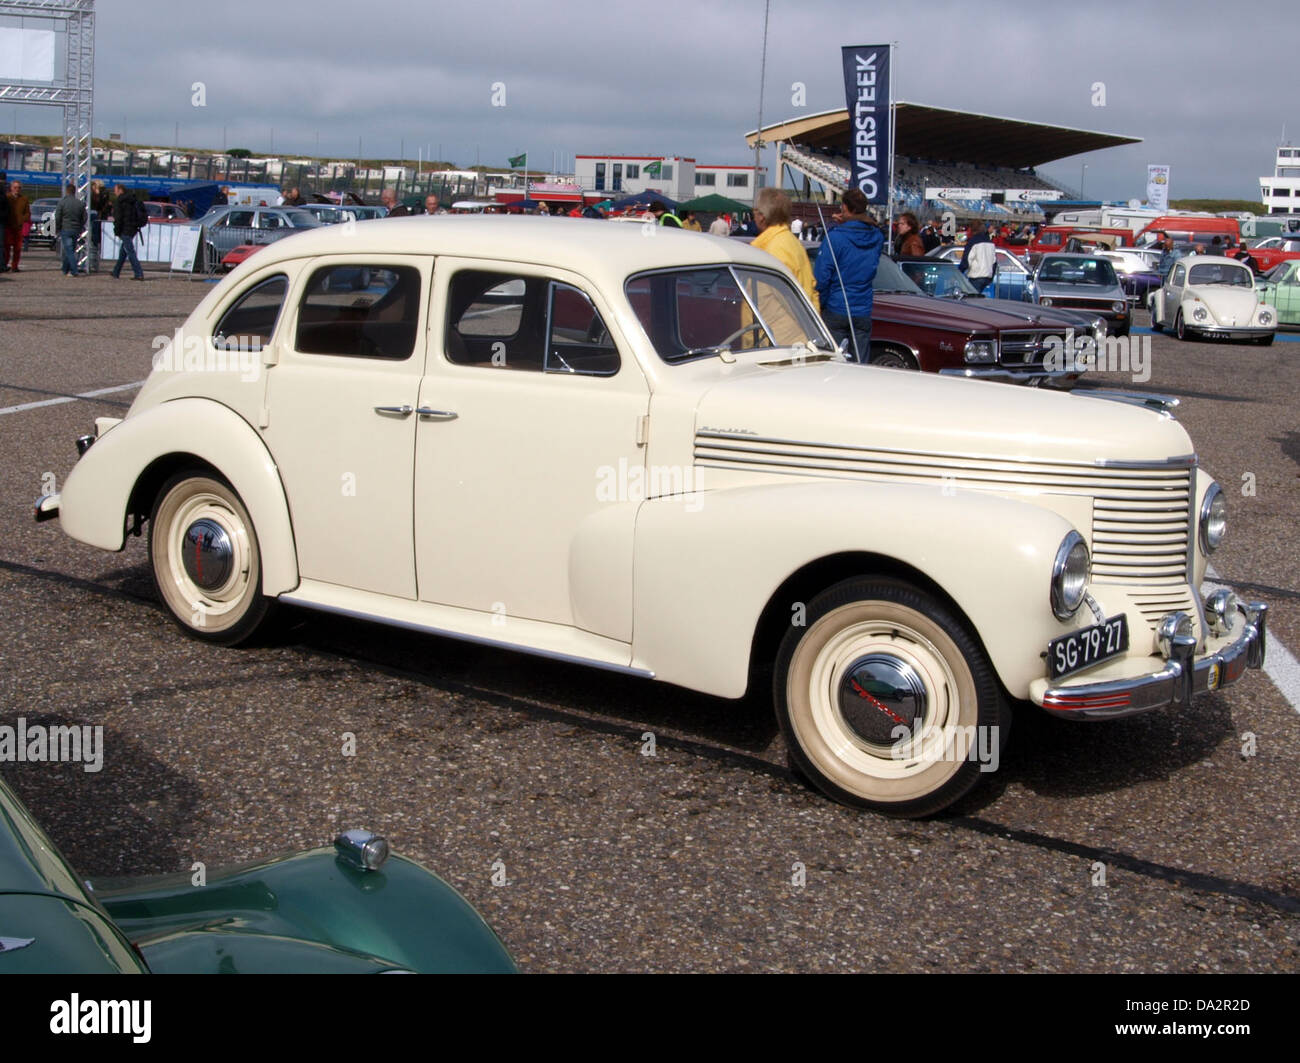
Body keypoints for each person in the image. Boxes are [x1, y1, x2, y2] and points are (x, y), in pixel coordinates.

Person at [812, 188, 883, 362]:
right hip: (862, 308)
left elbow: (822, 277)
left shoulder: (836, 237)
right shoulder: (877, 236)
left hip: (836, 307)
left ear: (844, 207)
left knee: (833, 361)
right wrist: (847, 223)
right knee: (860, 363)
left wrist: (820, 304)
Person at [752, 187, 818, 310]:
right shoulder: (793, 243)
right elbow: (812, 291)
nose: (754, 216)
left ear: (762, 216)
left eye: (754, 211)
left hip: (774, 327)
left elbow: (787, 304)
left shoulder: (772, 250)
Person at [110, 183, 145, 280]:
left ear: (121, 190)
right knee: (124, 251)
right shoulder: (133, 200)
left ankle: (139, 273)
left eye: (116, 190)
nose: (115, 192)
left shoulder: (119, 201)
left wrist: (116, 231)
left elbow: (118, 218)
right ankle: (116, 271)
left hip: (125, 229)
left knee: (130, 251)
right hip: (133, 228)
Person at [54, 181, 87, 276]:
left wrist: (57, 228)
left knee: (69, 251)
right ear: (74, 191)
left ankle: (74, 270)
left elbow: (58, 217)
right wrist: (80, 226)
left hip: (66, 228)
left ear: (67, 191)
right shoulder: (80, 203)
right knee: (71, 250)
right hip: (76, 229)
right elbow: (85, 217)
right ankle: (65, 269)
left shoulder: (62, 203)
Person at [958, 223, 996, 293]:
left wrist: (959, 272)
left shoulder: (973, 242)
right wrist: (991, 276)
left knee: (971, 299)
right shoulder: (991, 243)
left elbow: (967, 260)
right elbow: (994, 262)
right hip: (987, 275)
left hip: (976, 275)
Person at [5, 180, 30, 271]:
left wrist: (22, 220)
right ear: (11, 188)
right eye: (15, 187)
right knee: (6, 247)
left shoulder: (24, 199)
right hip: (8, 226)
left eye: (19, 188)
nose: (17, 189)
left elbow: (27, 213)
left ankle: (14, 266)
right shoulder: (7, 197)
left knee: (17, 248)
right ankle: (5, 264)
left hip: (18, 227)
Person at [0, 169, 8, 273]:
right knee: (1, 244)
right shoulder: (3, 191)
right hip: (1, 220)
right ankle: (2, 264)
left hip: (2, 220)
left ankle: (2, 264)